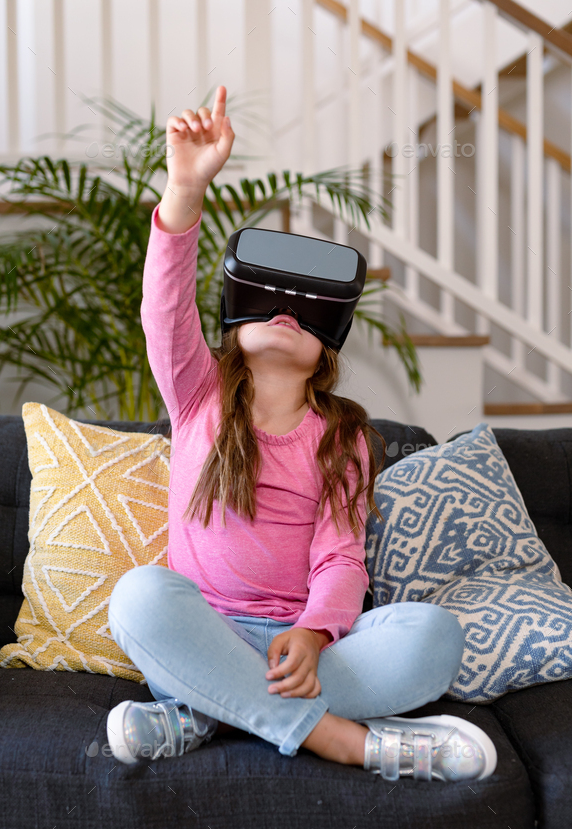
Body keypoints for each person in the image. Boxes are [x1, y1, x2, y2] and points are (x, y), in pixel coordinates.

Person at [105, 85, 497, 782]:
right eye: (265, 296)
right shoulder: (197, 393)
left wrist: (316, 633)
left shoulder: (340, 435)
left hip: (302, 652)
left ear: (329, 344)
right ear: (234, 320)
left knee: (433, 637)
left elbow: (341, 558)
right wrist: (186, 187)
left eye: (305, 304)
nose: (285, 309)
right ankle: (345, 741)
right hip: (204, 632)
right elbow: (162, 310)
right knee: (138, 596)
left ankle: (207, 714)